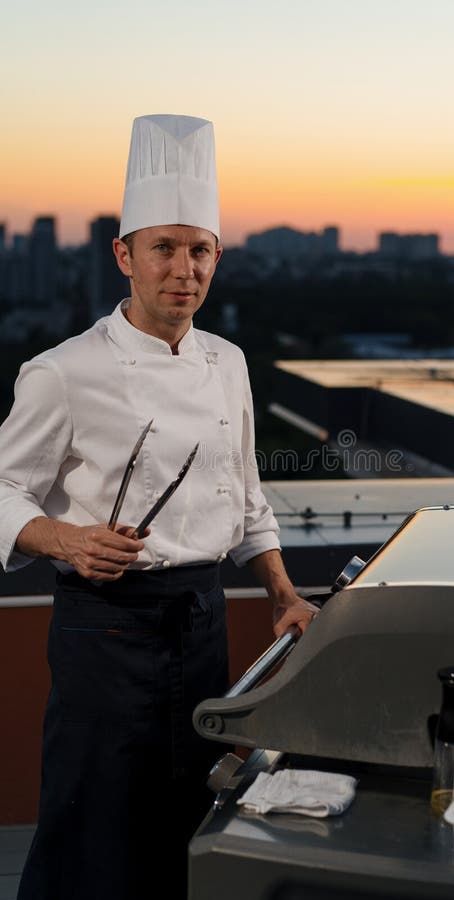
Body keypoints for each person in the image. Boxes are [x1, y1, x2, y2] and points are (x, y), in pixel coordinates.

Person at [0, 114, 318, 900]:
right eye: (164, 248)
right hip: (104, 628)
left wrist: (281, 592)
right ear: (125, 257)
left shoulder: (229, 362)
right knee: (95, 824)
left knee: (191, 813)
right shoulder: (62, 371)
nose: (184, 269)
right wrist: (65, 540)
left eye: (199, 249)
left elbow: (246, 497)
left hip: (200, 620)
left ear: (218, 258)